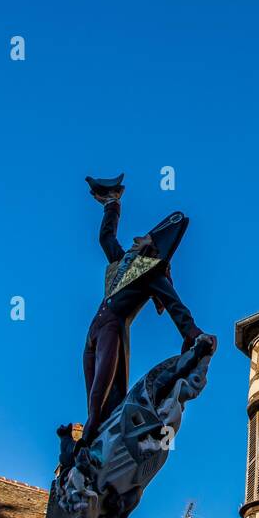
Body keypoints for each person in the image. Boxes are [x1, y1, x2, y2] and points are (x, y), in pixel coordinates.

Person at [74, 174, 208, 453]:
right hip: (94, 332)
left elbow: (174, 303)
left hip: (113, 328)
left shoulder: (150, 273)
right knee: (94, 397)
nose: (136, 239)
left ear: (152, 245)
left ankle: (89, 444)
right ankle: (93, 443)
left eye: (144, 238)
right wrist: (112, 205)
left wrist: (192, 333)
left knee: (100, 397)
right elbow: (105, 237)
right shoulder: (121, 262)